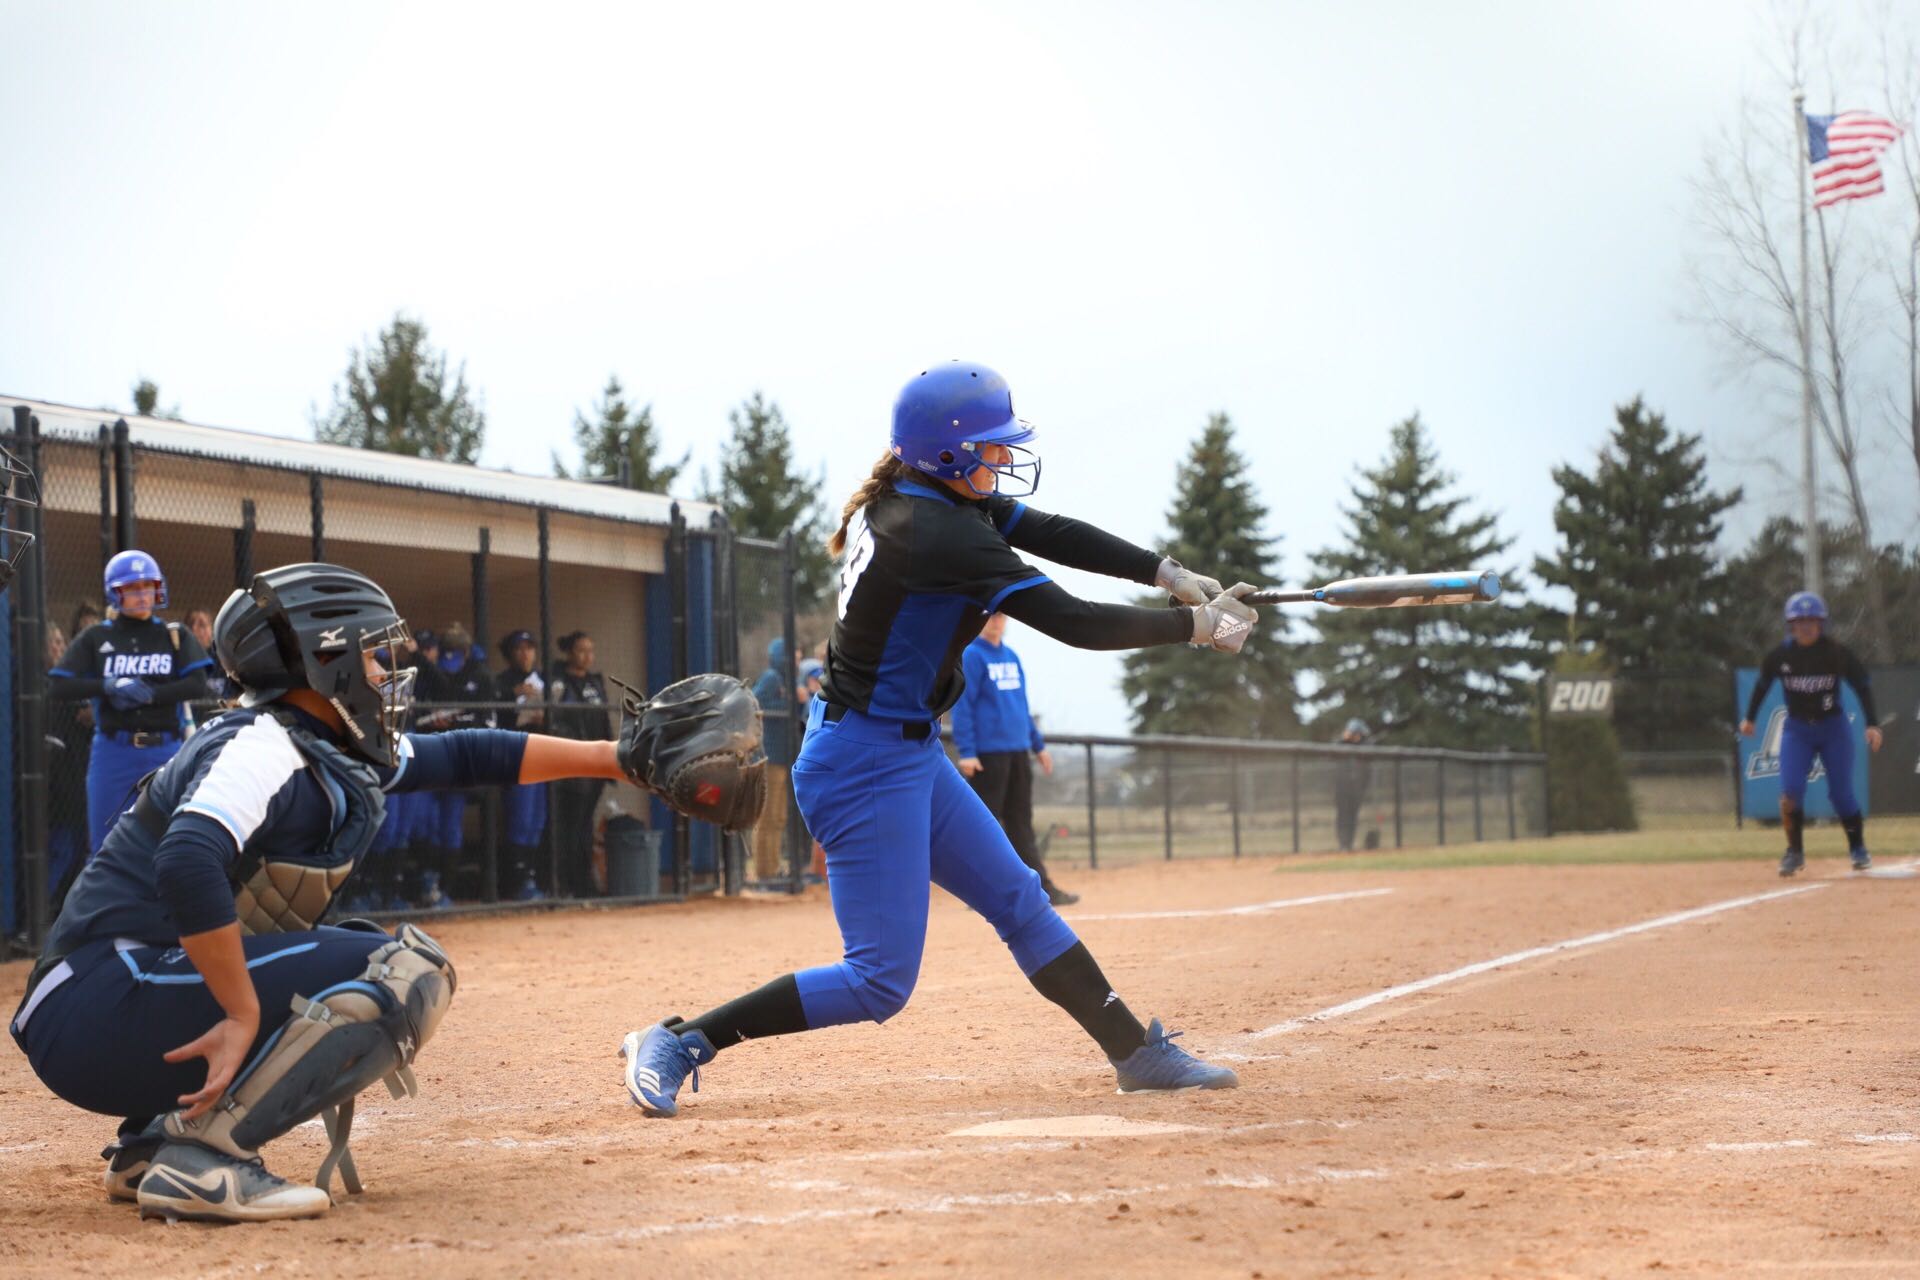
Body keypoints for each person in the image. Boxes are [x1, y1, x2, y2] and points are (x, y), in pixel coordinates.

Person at [618, 359, 1257, 1115]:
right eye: (990, 445)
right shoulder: (937, 531)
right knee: (878, 981)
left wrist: (1165, 573)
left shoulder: (927, 497)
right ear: (947, 453)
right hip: (861, 763)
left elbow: (1051, 532)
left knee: (1019, 900)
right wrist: (1195, 627)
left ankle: (1136, 1054)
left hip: (905, 749)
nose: (1004, 456)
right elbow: (1075, 622)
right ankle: (681, 1040)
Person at [8, 562, 635, 1223]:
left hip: (105, 1008)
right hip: (103, 1000)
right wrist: (240, 1011)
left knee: (354, 950)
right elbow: (187, 859)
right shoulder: (261, 742)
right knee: (397, 970)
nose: (385, 672)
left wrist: (614, 758)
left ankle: (153, 1143)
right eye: (372, 655)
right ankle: (205, 1157)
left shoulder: (321, 742)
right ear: (323, 660)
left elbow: (467, 755)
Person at [50, 551, 213, 853]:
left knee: (171, 845)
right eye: (132, 587)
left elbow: (197, 684)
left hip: (166, 751)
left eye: (147, 586)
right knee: (105, 847)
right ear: (116, 592)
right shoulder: (97, 636)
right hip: (114, 752)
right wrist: (107, 686)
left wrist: (152, 694)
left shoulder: (173, 634)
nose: (142, 594)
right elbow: (59, 686)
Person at [1739, 591, 1883, 876]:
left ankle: (1858, 849)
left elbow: (1862, 684)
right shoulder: (1781, 655)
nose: (1806, 626)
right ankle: (1794, 853)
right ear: (1790, 624)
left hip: (1833, 729)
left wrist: (1872, 723)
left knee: (1841, 794)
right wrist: (1750, 718)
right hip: (1797, 730)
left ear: (1821, 623)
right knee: (1790, 792)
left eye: (1812, 620)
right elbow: (1762, 684)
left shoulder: (1836, 653)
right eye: (1800, 620)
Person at [953, 613, 1075, 906]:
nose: (996, 621)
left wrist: (1038, 745)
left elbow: (1021, 706)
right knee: (984, 826)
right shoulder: (972, 655)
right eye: (990, 615)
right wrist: (967, 751)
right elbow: (963, 706)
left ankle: (1039, 888)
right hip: (987, 755)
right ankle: (979, 891)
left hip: (1018, 751)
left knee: (1021, 823)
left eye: (1001, 615)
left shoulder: (1011, 656)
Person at [549, 630, 613, 897]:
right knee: (569, 827)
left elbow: (603, 721)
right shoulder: (558, 682)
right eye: (581, 650)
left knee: (586, 825)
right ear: (569, 653)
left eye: (590, 650)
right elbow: (554, 721)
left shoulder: (595, 682)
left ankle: (585, 884)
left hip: (595, 762)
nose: (587, 656)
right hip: (570, 763)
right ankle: (565, 885)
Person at [496, 630, 550, 899]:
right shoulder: (502, 682)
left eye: (529, 648)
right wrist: (513, 694)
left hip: (542, 753)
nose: (525, 654)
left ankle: (531, 880)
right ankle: (515, 885)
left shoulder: (542, 679)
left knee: (537, 821)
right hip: (517, 754)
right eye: (519, 649)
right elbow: (494, 716)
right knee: (520, 819)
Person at [748, 637, 797, 884]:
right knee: (767, 816)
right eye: (793, 654)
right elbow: (754, 703)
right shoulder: (771, 677)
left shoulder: (786, 681)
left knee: (779, 816)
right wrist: (789, 702)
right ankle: (764, 872)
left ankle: (774, 868)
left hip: (783, 757)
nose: (797, 659)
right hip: (769, 756)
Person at [1332, 718, 1372, 853]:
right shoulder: (1341, 744)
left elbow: (1369, 749)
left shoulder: (1365, 745)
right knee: (1343, 815)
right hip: (1342, 788)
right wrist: (1344, 739)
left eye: (1357, 733)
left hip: (1358, 789)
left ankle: (1349, 844)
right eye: (1354, 733)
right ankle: (1343, 844)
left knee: (1353, 816)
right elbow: (1332, 752)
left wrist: (1358, 741)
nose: (1355, 735)